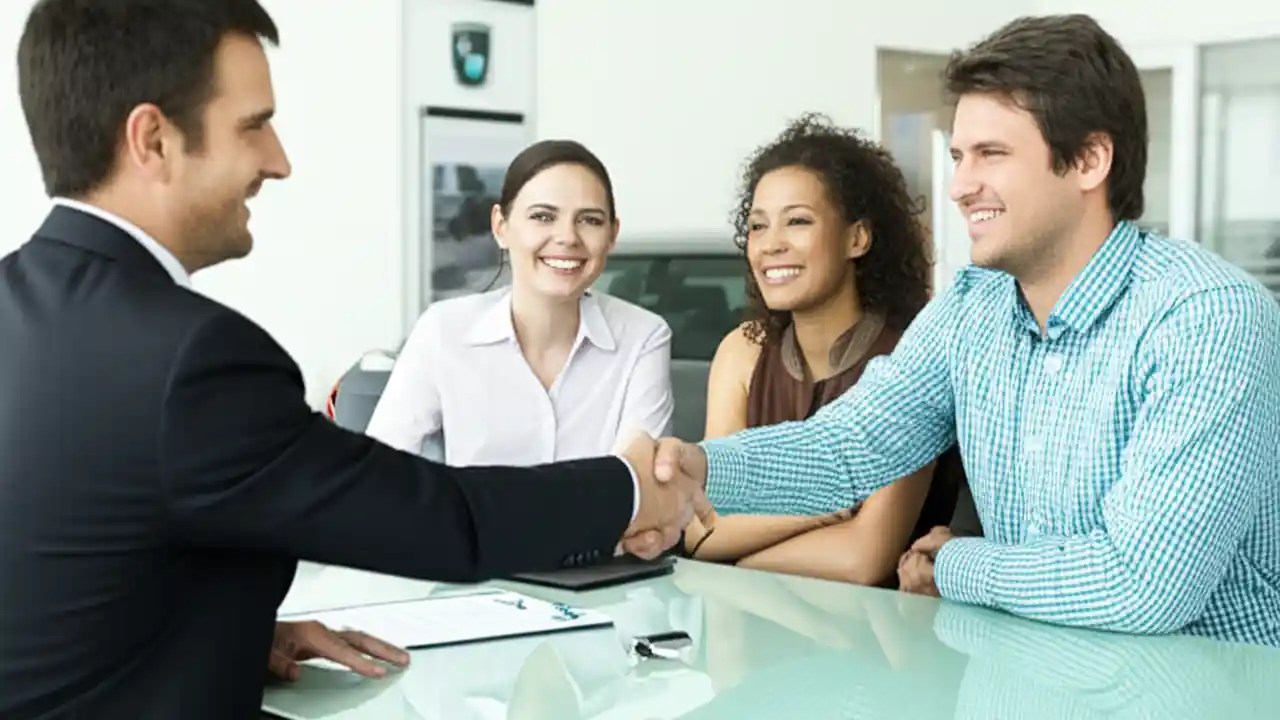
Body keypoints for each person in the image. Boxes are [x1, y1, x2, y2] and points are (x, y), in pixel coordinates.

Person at [0, 2, 699, 718]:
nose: (279, 159)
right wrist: (630, 487)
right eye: (253, 125)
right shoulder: (197, 360)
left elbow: (68, 565)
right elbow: (441, 520)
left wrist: (241, 634)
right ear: (152, 139)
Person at [650, 14, 1280, 647]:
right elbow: (849, 446)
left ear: (1090, 160)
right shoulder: (973, 308)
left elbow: (1143, 585)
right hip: (1029, 676)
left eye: (991, 155)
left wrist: (955, 564)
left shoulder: (1207, 316)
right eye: (958, 156)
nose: (959, 187)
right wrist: (693, 467)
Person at [680, 115, 965, 586]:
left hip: (878, 638)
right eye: (757, 226)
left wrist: (746, 559)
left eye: (797, 221)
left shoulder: (911, 359)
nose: (771, 245)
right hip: (752, 628)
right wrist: (824, 513)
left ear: (857, 237)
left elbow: (862, 559)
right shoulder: (742, 352)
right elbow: (703, 533)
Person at [366, 140, 674, 465]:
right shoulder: (443, 330)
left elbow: (641, 487)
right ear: (501, 226)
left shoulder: (643, 337)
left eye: (590, 220)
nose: (567, 237)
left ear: (612, 234)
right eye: (543, 216)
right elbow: (377, 474)